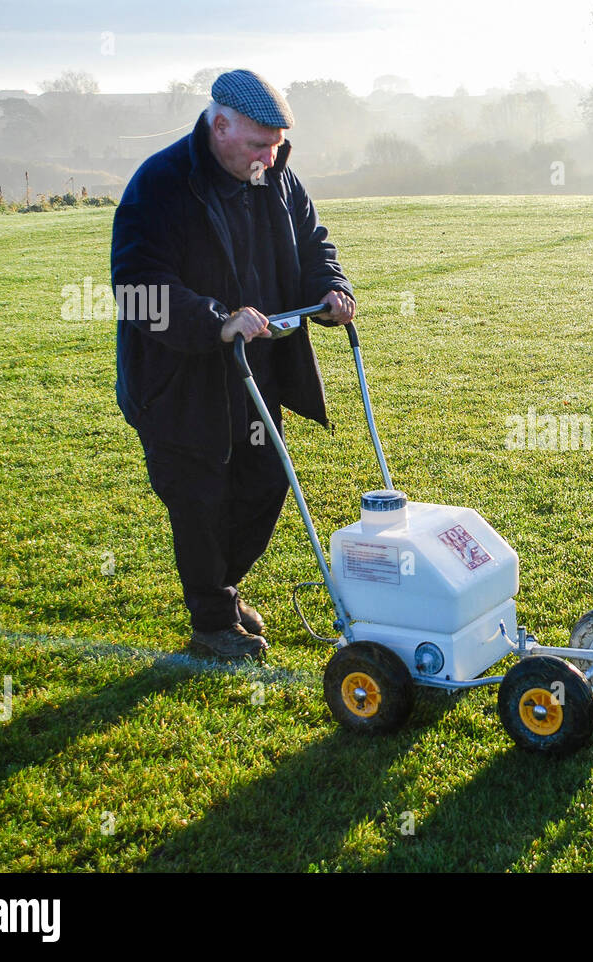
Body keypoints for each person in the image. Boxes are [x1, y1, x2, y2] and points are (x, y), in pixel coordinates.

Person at [112, 68, 356, 662]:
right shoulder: (161, 185)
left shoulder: (275, 177)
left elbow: (312, 241)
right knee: (199, 500)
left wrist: (329, 289)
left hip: (257, 372)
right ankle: (213, 621)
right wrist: (215, 320)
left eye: (276, 145)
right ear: (219, 125)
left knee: (265, 485)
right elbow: (138, 286)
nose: (269, 158)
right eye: (257, 144)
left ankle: (220, 589)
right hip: (180, 383)